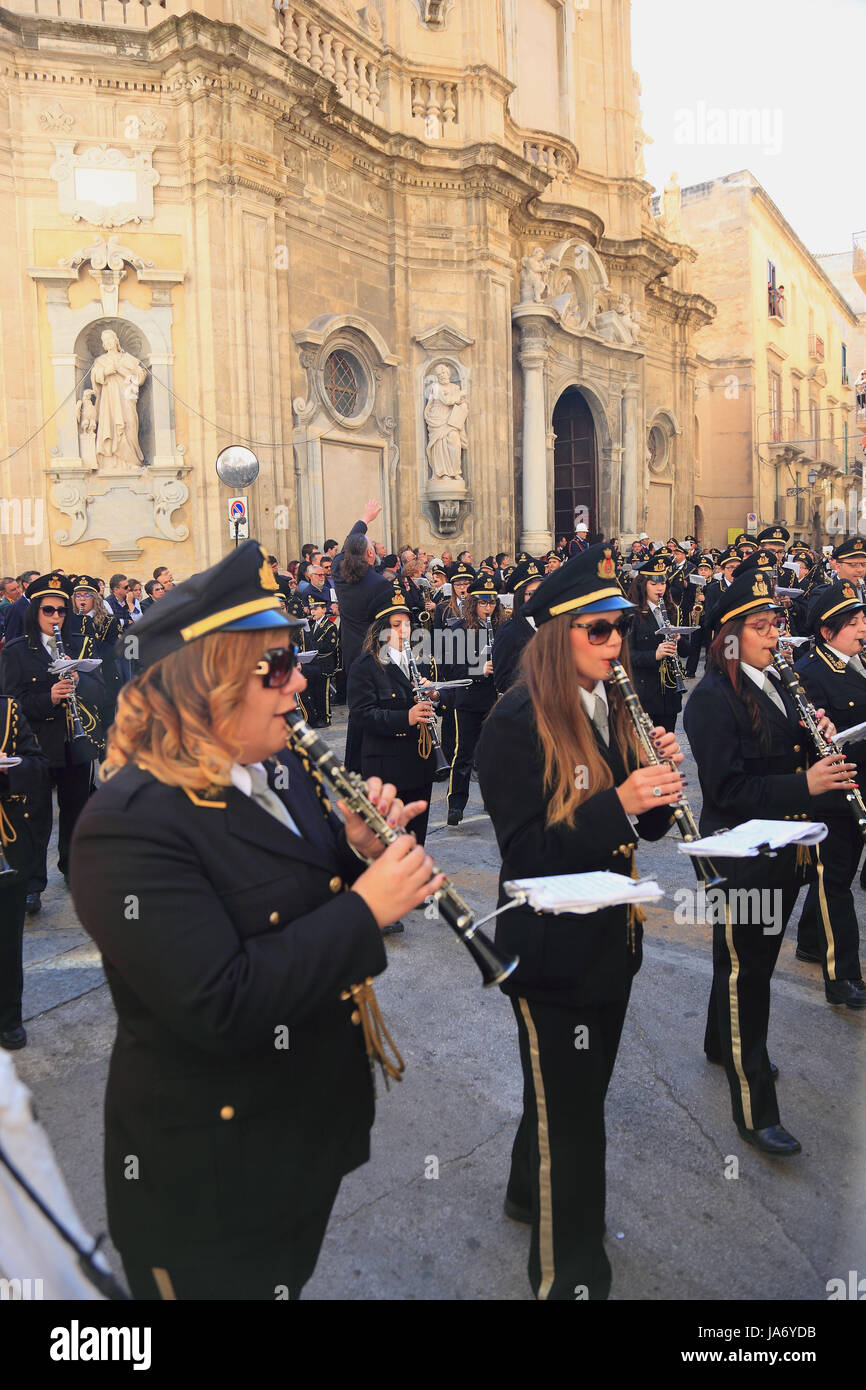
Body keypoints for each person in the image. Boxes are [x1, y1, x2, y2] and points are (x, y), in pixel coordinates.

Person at [69, 540, 443, 1300]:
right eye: (275, 667)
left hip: (302, 1135)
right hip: (210, 1182)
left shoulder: (278, 767)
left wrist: (352, 845)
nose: (300, 681)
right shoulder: (127, 823)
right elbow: (222, 1000)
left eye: (295, 659)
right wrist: (368, 909)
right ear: (206, 684)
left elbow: (284, 890)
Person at [476, 543, 684, 1300]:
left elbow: (645, 834)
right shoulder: (512, 722)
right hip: (550, 951)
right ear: (555, 638)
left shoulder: (611, 703)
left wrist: (655, 789)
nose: (614, 642)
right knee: (576, 1123)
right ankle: (570, 1276)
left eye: (619, 628)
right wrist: (619, 802)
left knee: (571, 1095)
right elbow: (524, 853)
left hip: (609, 939)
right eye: (596, 630)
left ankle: (527, 1196)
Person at [683, 570, 857, 1156]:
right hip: (741, 855)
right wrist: (805, 782)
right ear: (728, 638)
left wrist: (817, 739)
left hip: (783, 848)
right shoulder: (711, 699)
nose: (774, 634)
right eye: (760, 627)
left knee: (738, 957)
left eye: (776, 623)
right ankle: (756, 1107)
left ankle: (719, 1041)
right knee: (748, 974)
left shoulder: (777, 679)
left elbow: (782, 748)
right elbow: (729, 790)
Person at [0, 575, 104, 915]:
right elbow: (11, 702)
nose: (56, 617)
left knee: (77, 809)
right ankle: (32, 884)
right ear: (36, 612)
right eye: (48, 610)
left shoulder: (80, 643)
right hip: (38, 744)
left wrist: (80, 680)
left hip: (76, 742)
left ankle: (72, 868)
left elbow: (102, 693)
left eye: (61, 610)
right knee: (36, 815)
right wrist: (49, 697)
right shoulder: (18, 650)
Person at [790, 582, 866, 1008]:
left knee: (833, 877)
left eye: (862, 620)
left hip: (860, 785)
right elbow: (810, 736)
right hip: (834, 793)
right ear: (826, 631)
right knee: (836, 883)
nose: (862, 629)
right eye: (852, 623)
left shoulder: (858, 662)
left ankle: (810, 942)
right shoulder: (809, 672)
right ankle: (843, 978)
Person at [347, 587, 437, 933]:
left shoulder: (414, 659)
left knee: (417, 825)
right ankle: (381, 903)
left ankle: (412, 887)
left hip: (418, 757)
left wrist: (431, 698)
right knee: (386, 830)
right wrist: (406, 717)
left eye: (407, 624)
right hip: (385, 761)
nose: (403, 631)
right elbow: (362, 714)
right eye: (396, 625)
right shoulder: (366, 666)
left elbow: (423, 707)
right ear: (382, 629)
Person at [0, 696, 49, 1049]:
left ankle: (8, 1018)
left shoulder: (7, 710)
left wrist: (9, 770)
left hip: (8, 841)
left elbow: (37, 766)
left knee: (6, 938)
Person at [332, 502, 392, 771]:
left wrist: (364, 519)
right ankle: (371, 761)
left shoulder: (338, 573)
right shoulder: (379, 583)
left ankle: (353, 764)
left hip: (349, 649)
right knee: (373, 709)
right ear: (370, 554)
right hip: (372, 652)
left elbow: (348, 545)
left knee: (357, 709)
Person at [446, 575, 502, 827]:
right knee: (464, 754)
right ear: (473, 603)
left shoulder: (502, 628)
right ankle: (456, 805)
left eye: (492, 603)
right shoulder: (459, 630)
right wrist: (481, 669)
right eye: (483, 603)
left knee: (495, 755)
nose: (488, 608)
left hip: (494, 699)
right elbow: (453, 669)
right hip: (468, 699)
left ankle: (496, 802)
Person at [627, 556, 688, 732]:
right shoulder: (632, 613)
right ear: (643, 585)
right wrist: (655, 654)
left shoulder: (672, 609)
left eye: (662, 583)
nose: (659, 588)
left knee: (667, 744)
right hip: (644, 692)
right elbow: (626, 654)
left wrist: (678, 639)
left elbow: (686, 651)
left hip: (669, 693)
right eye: (653, 584)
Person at [492, 558, 543, 695]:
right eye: (531, 593)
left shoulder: (553, 624)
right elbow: (502, 680)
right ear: (521, 596)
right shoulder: (509, 630)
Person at [304, 597, 339, 727]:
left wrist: (314, 649)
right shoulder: (312, 625)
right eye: (312, 609)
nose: (313, 612)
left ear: (324, 610)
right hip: (314, 665)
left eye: (316, 609)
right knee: (314, 693)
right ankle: (317, 717)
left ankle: (325, 718)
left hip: (324, 665)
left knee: (323, 693)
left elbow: (330, 646)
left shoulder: (329, 626)